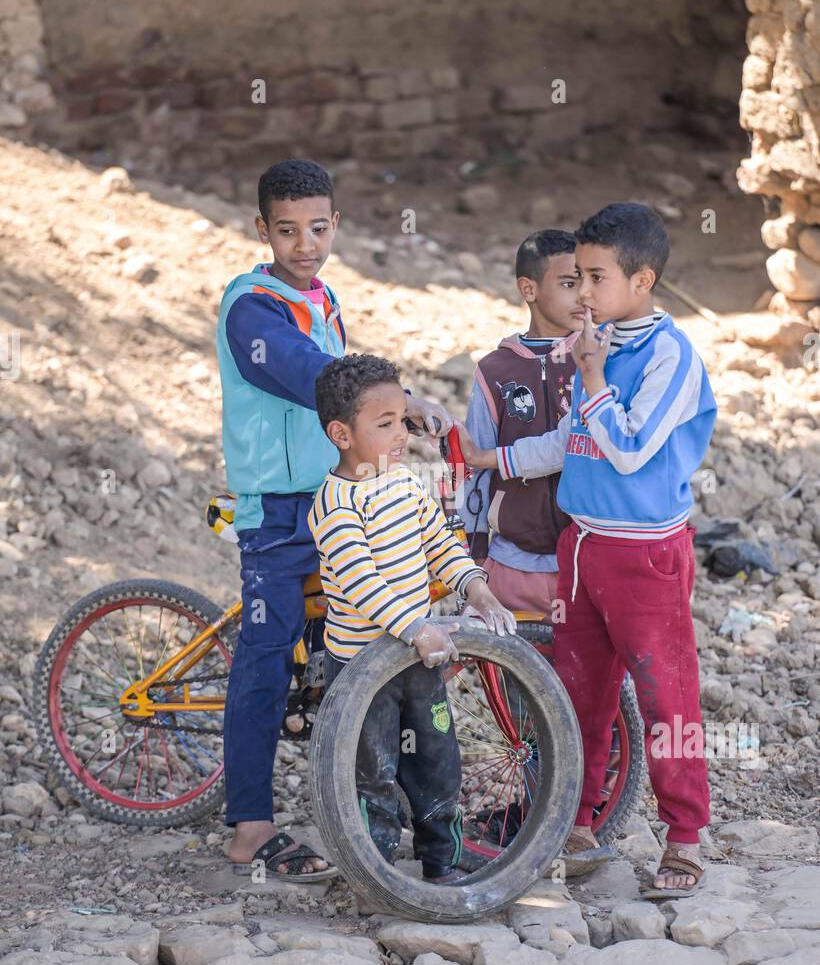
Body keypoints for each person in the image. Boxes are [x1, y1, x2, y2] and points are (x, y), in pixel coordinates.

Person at [459, 203, 717, 897]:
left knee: (666, 696)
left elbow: (629, 448)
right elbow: (569, 443)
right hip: (582, 549)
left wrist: (595, 376)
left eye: (596, 278)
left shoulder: (670, 357)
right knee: (577, 694)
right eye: (576, 276)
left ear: (642, 280)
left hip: (645, 554)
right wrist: (494, 458)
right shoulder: (597, 345)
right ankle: (576, 821)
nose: (584, 293)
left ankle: (685, 837)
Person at [216, 158, 452, 879]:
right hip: (275, 504)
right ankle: (251, 827)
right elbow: (311, 375)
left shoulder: (324, 299)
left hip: (329, 493)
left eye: (318, 228)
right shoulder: (250, 307)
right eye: (287, 230)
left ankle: (371, 798)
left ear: (336, 225)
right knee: (267, 650)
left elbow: (342, 382)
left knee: (352, 624)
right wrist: (400, 402)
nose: (305, 244)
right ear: (263, 230)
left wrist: (390, 418)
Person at [308, 353, 516, 882]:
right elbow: (362, 585)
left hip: (418, 661)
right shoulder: (335, 505)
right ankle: (373, 876)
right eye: (384, 424)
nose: (400, 434)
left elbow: (440, 544)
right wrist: (417, 628)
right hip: (362, 667)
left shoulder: (403, 484)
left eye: (402, 420)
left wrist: (477, 588)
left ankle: (441, 863)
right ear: (340, 434)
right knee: (372, 774)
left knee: (436, 763)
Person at [460, 228, 585, 615]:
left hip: (584, 558)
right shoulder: (494, 371)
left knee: (578, 653)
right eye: (569, 283)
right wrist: (473, 556)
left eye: (588, 282)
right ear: (528, 289)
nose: (583, 295)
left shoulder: (595, 358)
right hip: (509, 563)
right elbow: (473, 466)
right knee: (503, 651)